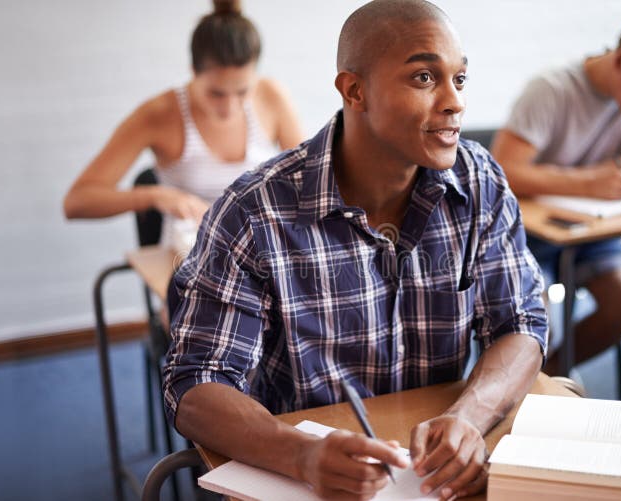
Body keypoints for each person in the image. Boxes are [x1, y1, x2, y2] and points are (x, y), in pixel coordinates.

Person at [164, 1, 548, 499]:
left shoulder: (478, 181)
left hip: (434, 479)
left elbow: (520, 322)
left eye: (460, 79)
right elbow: (196, 383)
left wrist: (469, 418)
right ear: (355, 90)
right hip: (308, 479)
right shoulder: (254, 211)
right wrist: (298, 454)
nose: (455, 102)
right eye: (425, 78)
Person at [491, 12, 621, 374]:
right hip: (530, 231)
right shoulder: (551, 89)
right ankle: (531, 378)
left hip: (592, 228)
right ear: (619, 60)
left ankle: (548, 376)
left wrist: (605, 178)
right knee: (534, 324)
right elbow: (504, 170)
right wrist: (587, 182)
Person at [63, 0, 303, 246]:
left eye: (242, 92)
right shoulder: (159, 114)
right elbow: (77, 202)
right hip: (187, 261)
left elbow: (308, 185)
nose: (230, 107)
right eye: (216, 93)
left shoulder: (272, 97)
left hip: (259, 253)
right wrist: (156, 196)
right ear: (192, 72)